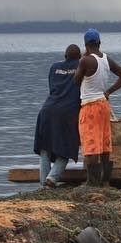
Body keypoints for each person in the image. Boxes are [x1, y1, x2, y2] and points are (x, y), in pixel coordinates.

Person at [74, 28, 121, 187]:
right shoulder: (106, 59)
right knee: (105, 144)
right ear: (99, 43)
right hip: (104, 105)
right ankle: (105, 181)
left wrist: (81, 63)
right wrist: (108, 91)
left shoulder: (85, 61)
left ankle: (92, 183)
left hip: (89, 106)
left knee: (91, 144)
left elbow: (76, 81)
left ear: (86, 45)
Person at [32, 44, 82, 188]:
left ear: (65, 56)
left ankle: (44, 185)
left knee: (45, 148)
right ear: (79, 57)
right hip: (68, 112)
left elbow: (51, 87)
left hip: (47, 110)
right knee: (66, 148)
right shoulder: (81, 66)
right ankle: (52, 178)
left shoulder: (54, 67)